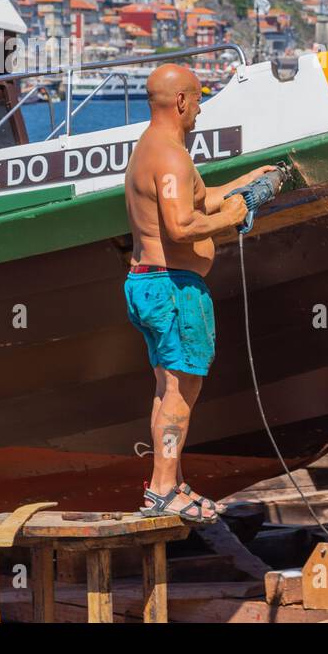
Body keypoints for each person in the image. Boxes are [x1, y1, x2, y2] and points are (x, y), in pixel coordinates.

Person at [123, 63, 283, 524]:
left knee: (168, 388)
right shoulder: (171, 156)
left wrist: (245, 184)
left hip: (148, 284)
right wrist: (233, 217)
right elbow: (181, 224)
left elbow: (197, 199)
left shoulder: (150, 149)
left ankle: (164, 485)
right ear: (180, 102)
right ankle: (164, 489)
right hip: (173, 289)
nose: (199, 109)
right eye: (197, 99)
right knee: (181, 391)